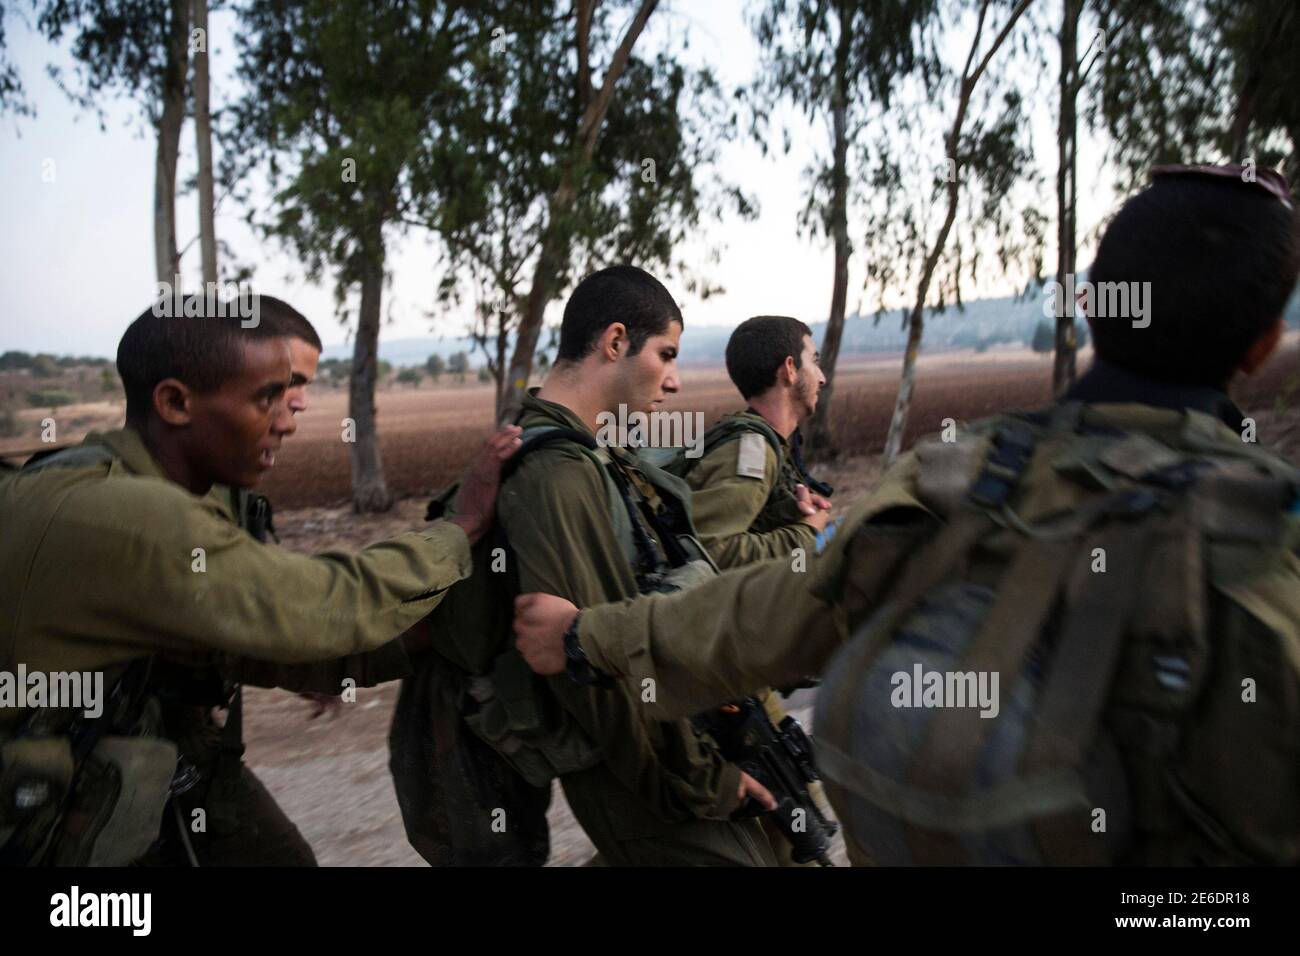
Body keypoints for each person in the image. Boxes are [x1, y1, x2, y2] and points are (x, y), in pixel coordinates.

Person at [514, 164, 1300, 866]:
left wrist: (589, 639)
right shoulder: (1263, 534)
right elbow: (734, 558)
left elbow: (774, 613)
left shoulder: (962, 474)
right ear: (1263, 344)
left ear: (1091, 307)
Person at [0, 301, 520, 866]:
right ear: (175, 403)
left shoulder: (146, 484)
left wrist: (402, 644)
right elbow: (317, 602)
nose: (291, 417)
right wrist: (459, 527)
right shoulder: (128, 516)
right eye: (266, 396)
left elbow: (233, 637)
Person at [432, 264, 778, 866]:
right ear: (615, 342)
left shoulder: (591, 449)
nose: (673, 381)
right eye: (665, 355)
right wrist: (702, 781)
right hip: (634, 768)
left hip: (652, 753)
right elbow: (591, 668)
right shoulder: (558, 472)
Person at [684, 314, 832, 568]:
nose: (821, 378)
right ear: (790, 369)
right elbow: (712, 552)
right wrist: (807, 533)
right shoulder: (752, 450)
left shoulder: (762, 441)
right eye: (814, 362)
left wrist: (790, 511)